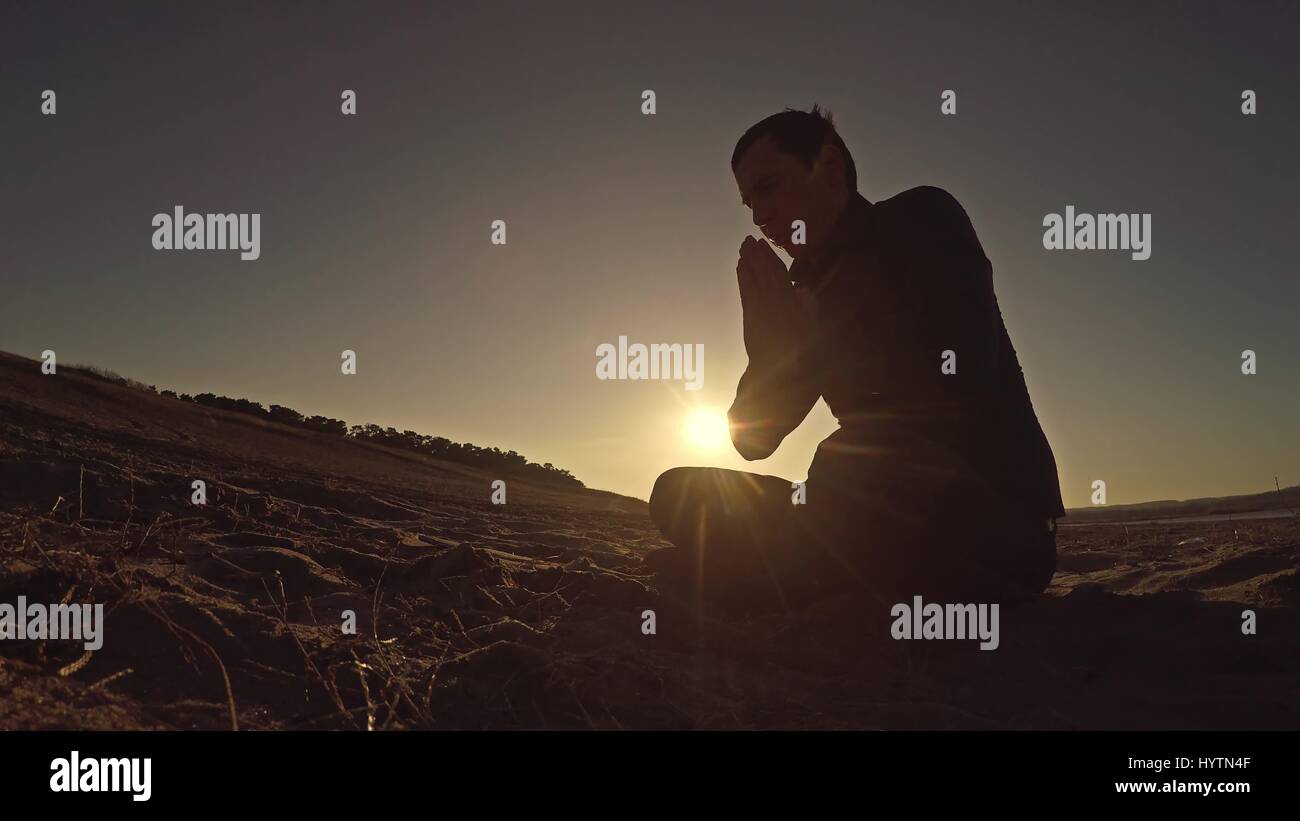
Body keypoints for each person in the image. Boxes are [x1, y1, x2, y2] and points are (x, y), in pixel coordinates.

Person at [645, 105, 1065, 615]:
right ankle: (813, 568)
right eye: (749, 201)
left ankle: (793, 573)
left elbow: (956, 380)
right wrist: (768, 351)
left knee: (852, 479)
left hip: (994, 520)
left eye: (769, 188)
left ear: (831, 169)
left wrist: (812, 339)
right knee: (679, 493)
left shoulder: (924, 219)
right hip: (858, 516)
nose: (759, 215)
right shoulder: (804, 293)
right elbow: (753, 441)